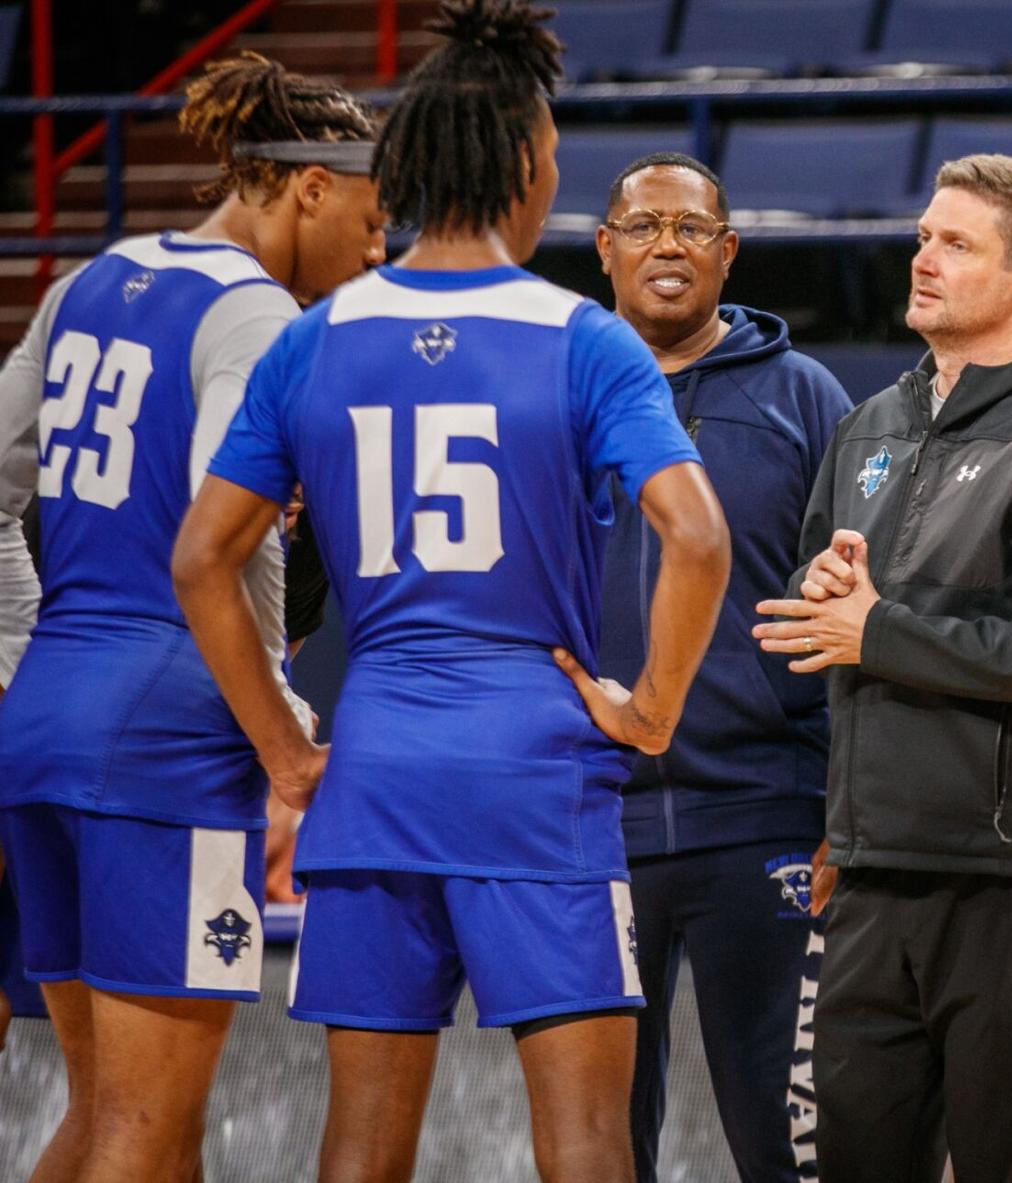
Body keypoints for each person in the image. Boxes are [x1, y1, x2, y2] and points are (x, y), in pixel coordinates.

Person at [172, 5, 730, 1182]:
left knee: (363, 1145)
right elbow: (699, 536)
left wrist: (282, 745)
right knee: (583, 1140)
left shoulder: (313, 338)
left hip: (375, 767)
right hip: (535, 769)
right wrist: (654, 710)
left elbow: (201, 560)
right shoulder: (585, 337)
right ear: (526, 167)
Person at [0, 54, 383, 1182]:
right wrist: (281, 738)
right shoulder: (262, 318)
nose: (374, 254)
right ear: (310, 188)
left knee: (116, 1113)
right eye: (371, 221)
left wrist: (25, 649)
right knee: (147, 1123)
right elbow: (218, 550)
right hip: (166, 741)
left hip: (42, 725)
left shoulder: (91, 277)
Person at [753, 153, 1012, 1182]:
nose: (923, 257)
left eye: (956, 242)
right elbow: (821, 617)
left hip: (1010, 875)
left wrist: (878, 628)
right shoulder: (867, 427)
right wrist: (825, 588)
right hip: (874, 869)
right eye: (925, 235)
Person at [595, 152, 851, 1182]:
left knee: (787, 1149)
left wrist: (848, 805)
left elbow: (855, 615)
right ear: (604, 248)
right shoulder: (558, 391)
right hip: (593, 823)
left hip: (767, 820)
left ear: (727, 251)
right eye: (644, 225)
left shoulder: (805, 396)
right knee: (598, 1147)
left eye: (691, 228)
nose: (667, 244)